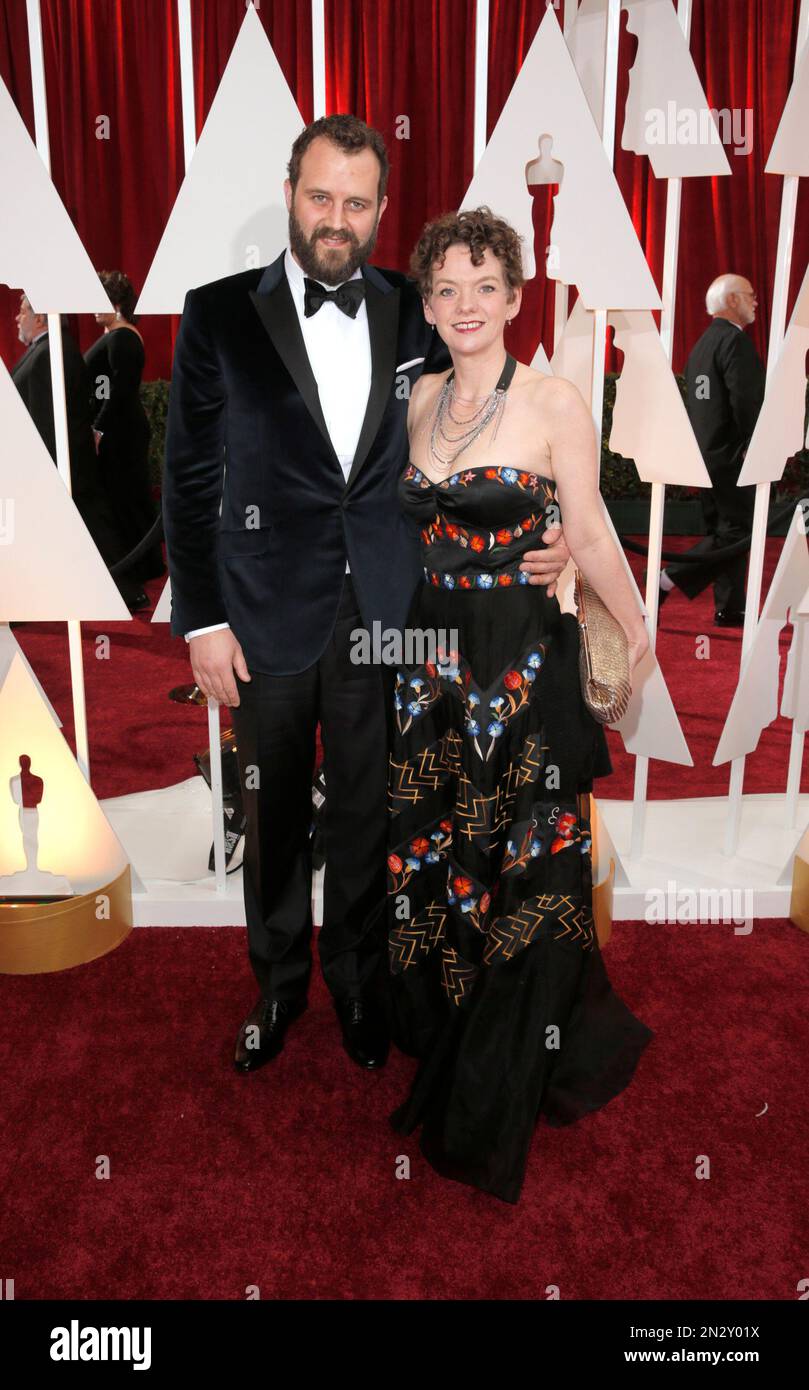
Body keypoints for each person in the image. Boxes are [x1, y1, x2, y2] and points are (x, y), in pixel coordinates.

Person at [162, 115, 573, 1079]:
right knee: (267, 810)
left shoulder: (409, 305)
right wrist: (203, 619)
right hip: (258, 613)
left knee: (363, 803)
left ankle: (352, 974)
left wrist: (540, 537)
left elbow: (484, 413)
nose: (336, 217)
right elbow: (186, 480)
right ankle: (276, 984)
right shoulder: (216, 313)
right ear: (290, 195)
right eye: (319, 196)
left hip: (388, 613)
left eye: (356, 200)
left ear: (381, 210)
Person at [386, 207, 654, 1204]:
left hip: (522, 671)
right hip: (425, 669)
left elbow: (583, 526)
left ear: (513, 295)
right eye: (445, 287)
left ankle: (504, 1068)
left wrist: (633, 628)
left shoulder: (551, 399)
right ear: (427, 300)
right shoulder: (411, 399)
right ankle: (446, 1023)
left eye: (484, 285)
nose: (465, 304)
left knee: (528, 872)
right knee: (443, 857)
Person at [11, 292, 147, 611]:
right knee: (94, 527)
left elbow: (50, 416)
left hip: (65, 461)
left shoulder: (52, 353)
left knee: (96, 527)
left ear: (41, 317)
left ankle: (126, 590)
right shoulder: (46, 350)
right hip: (65, 460)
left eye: (23, 311)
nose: (17, 318)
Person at [659, 274, 764, 626]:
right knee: (739, 532)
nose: (755, 302)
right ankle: (668, 579)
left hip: (704, 456)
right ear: (731, 300)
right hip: (732, 455)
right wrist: (754, 443)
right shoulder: (734, 342)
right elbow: (745, 399)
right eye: (750, 296)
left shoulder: (702, 344)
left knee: (723, 532)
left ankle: (730, 607)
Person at [85, 270, 164, 584]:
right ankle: (141, 565)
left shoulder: (122, 336)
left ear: (115, 302)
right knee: (127, 496)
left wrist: (98, 430)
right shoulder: (115, 335)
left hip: (121, 433)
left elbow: (121, 389)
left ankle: (143, 567)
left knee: (128, 496)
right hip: (119, 430)